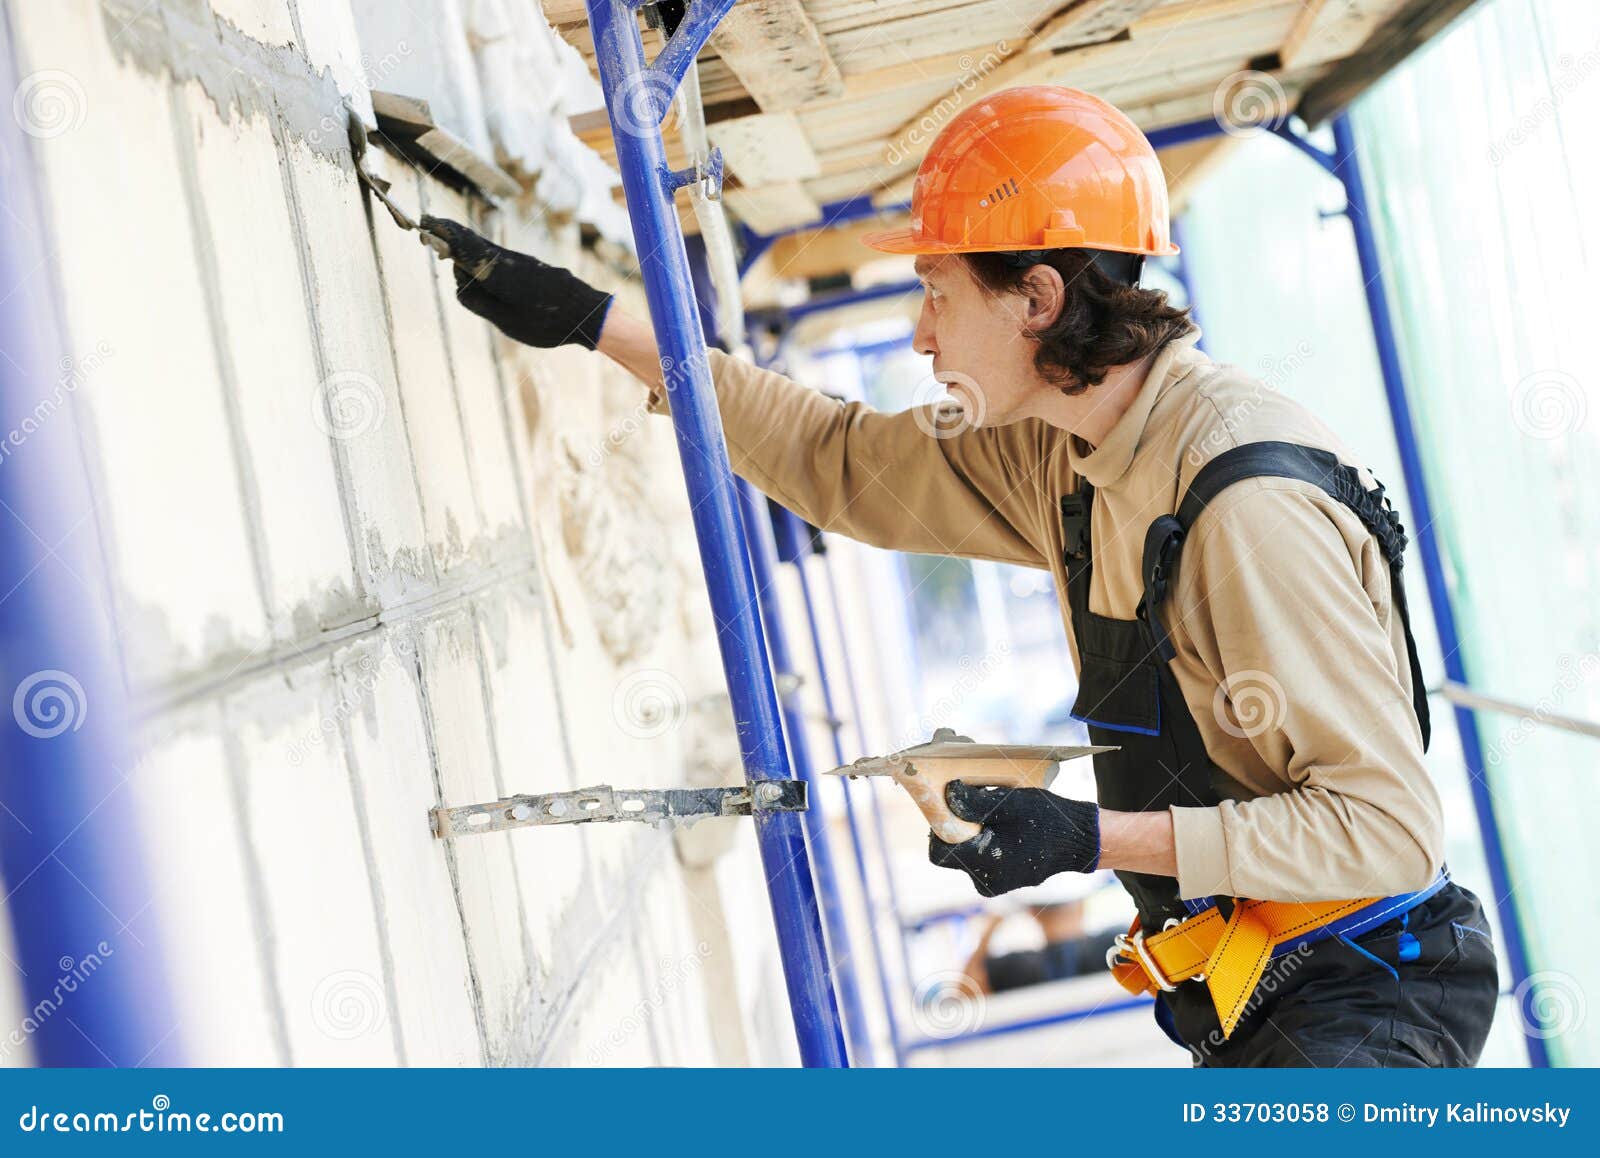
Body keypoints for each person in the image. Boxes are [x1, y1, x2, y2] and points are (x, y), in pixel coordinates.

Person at [419, 85, 1500, 1067]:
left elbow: (1388, 830)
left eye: (936, 291)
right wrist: (596, 324)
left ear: (1036, 297)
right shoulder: (1066, 447)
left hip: (1373, 988)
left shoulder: (1242, 507)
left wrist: (1085, 836)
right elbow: (839, 463)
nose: (919, 332)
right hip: (1256, 988)